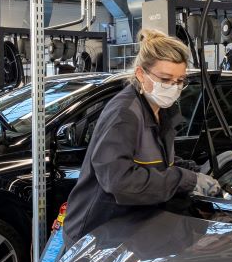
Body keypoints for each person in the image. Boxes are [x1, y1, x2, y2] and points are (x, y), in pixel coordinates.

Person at [63, 29, 222, 242]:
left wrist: (198, 170)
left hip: (128, 230)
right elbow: (119, 181)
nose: (173, 88)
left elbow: (159, 162)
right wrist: (186, 180)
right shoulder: (124, 114)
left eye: (180, 81)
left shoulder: (160, 109)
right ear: (140, 74)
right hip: (96, 234)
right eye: (166, 79)